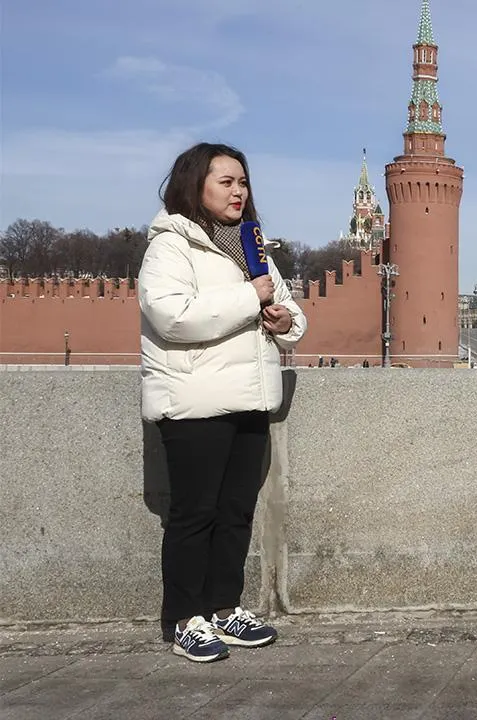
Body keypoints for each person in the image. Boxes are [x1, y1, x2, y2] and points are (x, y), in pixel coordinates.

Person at [139, 142, 308, 663]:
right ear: (196, 184)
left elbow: (289, 311)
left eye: (243, 182)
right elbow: (173, 316)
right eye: (226, 182)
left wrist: (285, 320)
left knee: (236, 511)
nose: (239, 191)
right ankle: (184, 619)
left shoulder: (252, 245)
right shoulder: (171, 245)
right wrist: (252, 297)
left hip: (250, 397)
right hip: (195, 401)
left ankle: (223, 607)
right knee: (194, 515)